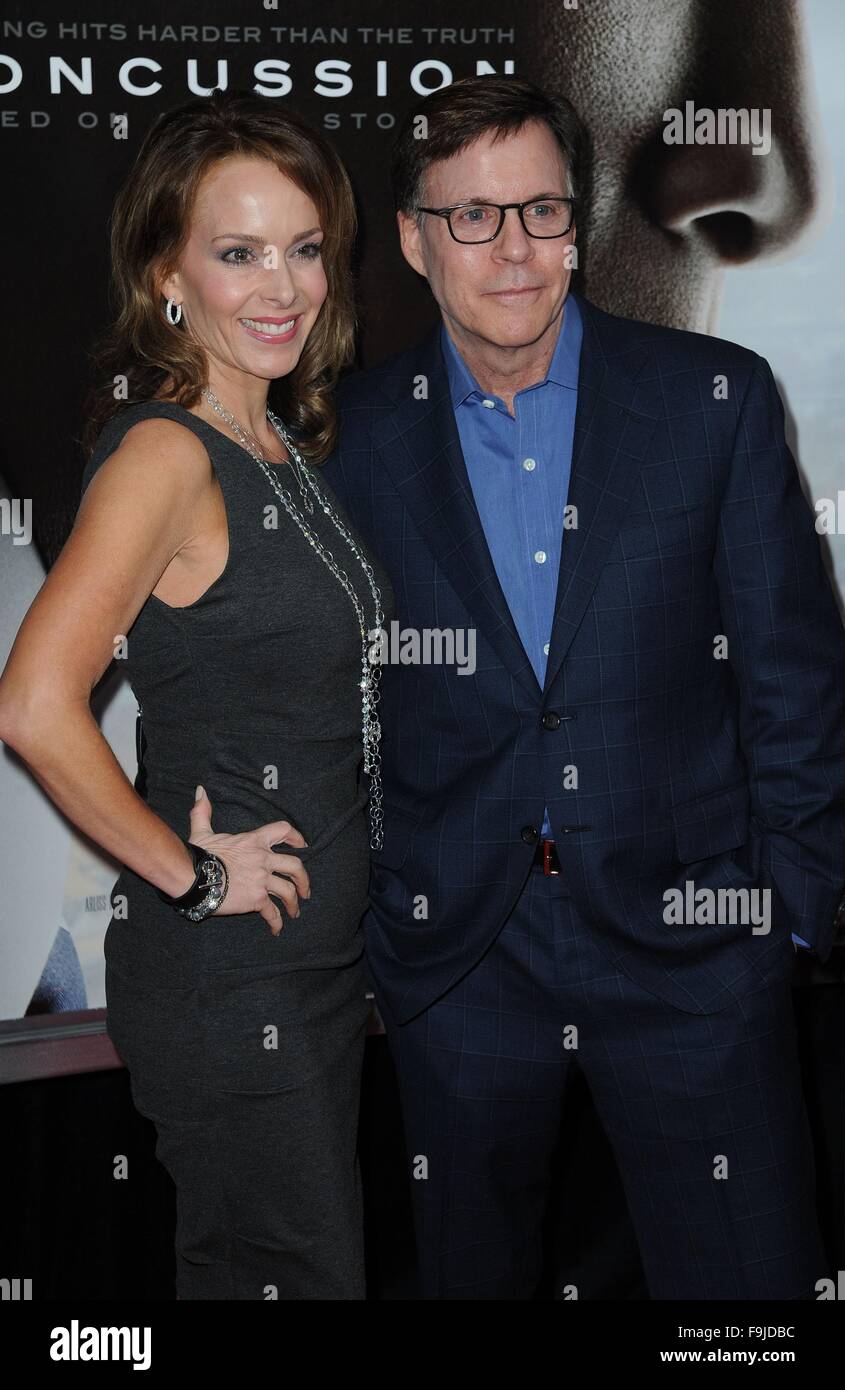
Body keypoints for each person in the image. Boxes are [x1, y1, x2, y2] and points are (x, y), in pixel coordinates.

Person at [317, 75, 845, 1299]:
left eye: (541, 213)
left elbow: (794, 681)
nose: (512, 251)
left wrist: (787, 910)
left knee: (746, 1303)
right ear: (411, 239)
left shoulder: (710, 401)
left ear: (578, 224)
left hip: (696, 949)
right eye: (473, 218)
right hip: (463, 960)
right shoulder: (348, 439)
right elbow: (325, 695)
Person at [0, 87, 394, 1300]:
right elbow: (32, 705)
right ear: (168, 273)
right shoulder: (168, 452)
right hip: (233, 988)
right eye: (237, 253)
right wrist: (193, 872)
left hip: (309, 974)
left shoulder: (279, 440)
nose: (280, 285)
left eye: (304, 248)